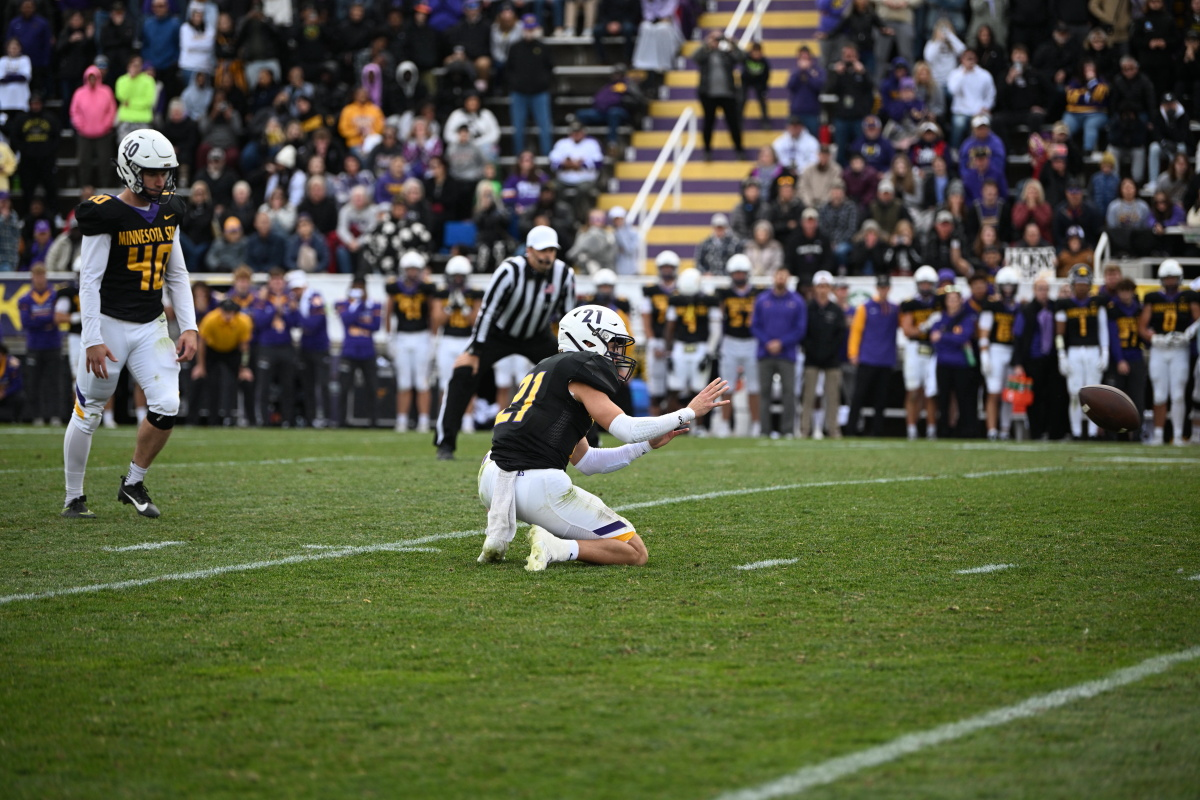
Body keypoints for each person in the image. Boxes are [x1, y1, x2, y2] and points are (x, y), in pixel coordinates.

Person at [476, 304, 729, 570]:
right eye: (614, 344)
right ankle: (556, 547)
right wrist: (688, 412)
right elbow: (626, 428)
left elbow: (586, 461)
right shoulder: (579, 372)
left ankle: (498, 534)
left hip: (492, 479)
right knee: (634, 552)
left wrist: (647, 445)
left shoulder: (546, 370)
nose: (618, 353)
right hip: (537, 487)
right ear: (587, 340)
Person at [61, 129, 198, 519]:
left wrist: (189, 326)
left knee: (168, 404)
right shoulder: (105, 212)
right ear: (130, 169)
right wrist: (91, 337)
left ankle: (134, 481)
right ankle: (74, 496)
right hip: (109, 325)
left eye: (164, 173)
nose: (160, 180)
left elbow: (177, 274)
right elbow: (87, 280)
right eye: (152, 172)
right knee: (89, 413)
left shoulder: (170, 209)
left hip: (150, 323)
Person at [434, 225, 575, 459]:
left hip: (537, 335)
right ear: (529, 250)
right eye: (543, 250)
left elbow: (568, 317)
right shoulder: (510, 270)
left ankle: (588, 441)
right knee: (462, 373)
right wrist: (475, 350)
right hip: (499, 334)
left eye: (552, 250)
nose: (547, 255)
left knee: (573, 379)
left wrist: (570, 354)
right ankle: (445, 443)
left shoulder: (564, 274)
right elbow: (488, 311)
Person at [1140, 260, 1196, 445]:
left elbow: (1198, 320)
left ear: (1179, 278)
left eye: (1173, 278)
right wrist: (1154, 338)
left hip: (1179, 348)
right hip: (1160, 348)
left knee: (1178, 393)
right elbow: (1142, 326)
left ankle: (1178, 435)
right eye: (1167, 278)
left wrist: (1188, 334)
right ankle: (1158, 435)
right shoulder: (1153, 298)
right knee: (1159, 394)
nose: (1170, 282)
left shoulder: (1188, 296)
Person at [751, 266, 807, 438]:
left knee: (789, 393)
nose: (781, 278)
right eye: (778, 275)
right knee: (765, 392)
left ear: (789, 278)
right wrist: (768, 342)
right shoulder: (762, 299)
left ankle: (788, 429)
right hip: (764, 353)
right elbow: (755, 325)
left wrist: (781, 343)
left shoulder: (797, 301)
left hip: (787, 354)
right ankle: (764, 430)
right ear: (773, 277)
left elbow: (800, 329)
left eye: (784, 275)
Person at [1056, 263, 1108, 440]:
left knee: (1094, 394)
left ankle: (1093, 432)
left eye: (1084, 283)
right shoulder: (1065, 304)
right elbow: (1059, 333)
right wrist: (1061, 355)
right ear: (1072, 284)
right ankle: (1077, 432)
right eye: (1078, 283)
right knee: (1074, 393)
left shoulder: (1097, 303)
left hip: (1093, 350)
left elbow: (1103, 330)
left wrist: (1105, 351)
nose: (1081, 286)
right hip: (1073, 352)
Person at [1013, 272, 1067, 440]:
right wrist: (1018, 362)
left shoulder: (1054, 307)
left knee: (1054, 396)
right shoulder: (1026, 310)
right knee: (1035, 398)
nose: (1043, 292)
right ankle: (1037, 431)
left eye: (1046, 289)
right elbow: (1018, 337)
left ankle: (1054, 432)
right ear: (1034, 290)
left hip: (1051, 359)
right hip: (1033, 359)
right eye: (1040, 289)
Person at [386, 251, 437, 433]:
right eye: (410, 269)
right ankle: (401, 420)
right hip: (401, 337)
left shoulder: (427, 288)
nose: (412, 273)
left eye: (415, 269)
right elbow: (388, 311)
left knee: (422, 381)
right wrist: (389, 336)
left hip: (422, 336)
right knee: (404, 382)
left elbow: (432, 313)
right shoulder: (395, 287)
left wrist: (433, 338)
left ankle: (423, 421)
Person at [431, 255, 482, 431]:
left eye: (461, 276)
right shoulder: (442, 292)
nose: (458, 279)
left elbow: (476, 321)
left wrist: (465, 308)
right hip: (447, 339)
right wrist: (451, 307)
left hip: (467, 340)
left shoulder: (474, 292)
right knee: (445, 382)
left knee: (468, 382)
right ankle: (445, 420)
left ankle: (468, 421)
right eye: (456, 276)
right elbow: (437, 320)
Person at [664, 268, 721, 419]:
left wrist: (709, 352)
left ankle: (699, 428)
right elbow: (670, 327)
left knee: (700, 390)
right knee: (674, 388)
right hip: (680, 347)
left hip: (700, 346)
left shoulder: (710, 300)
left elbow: (716, 329)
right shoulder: (675, 300)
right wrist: (668, 352)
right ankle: (670, 425)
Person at [846, 271, 899, 436]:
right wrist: (853, 353)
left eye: (886, 287)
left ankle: (877, 430)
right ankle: (851, 429)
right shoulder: (865, 307)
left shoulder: (894, 309)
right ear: (877, 288)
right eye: (881, 287)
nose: (883, 290)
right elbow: (856, 331)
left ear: (889, 288)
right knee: (858, 397)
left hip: (885, 359)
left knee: (881, 399)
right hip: (867, 357)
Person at [712, 254, 759, 437]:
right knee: (727, 386)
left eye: (742, 272)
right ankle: (724, 423)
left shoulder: (757, 293)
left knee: (754, 386)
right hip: (730, 341)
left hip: (752, 341)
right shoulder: (723, 294)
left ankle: (756, 424)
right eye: (736, 272)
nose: (739, 275)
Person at [193, 297, 254, 427]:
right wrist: (200, 366)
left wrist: (244, 368)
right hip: (212, 351)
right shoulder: (210, 319)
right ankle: (197, 421)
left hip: (232, 351)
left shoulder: (243, 321)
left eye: (230, 312)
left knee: (246, 382)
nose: (228, 315)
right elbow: (202, 343)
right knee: (204, 381)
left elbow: (244, 347)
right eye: (225, 311)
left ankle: (252, 420)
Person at [801, 270, 847, 439]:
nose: (822, 289)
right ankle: (804, 429)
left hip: (831, 359)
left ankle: (834, 429)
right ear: (815, 288)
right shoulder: (807, 308)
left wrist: (828, 353)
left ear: (830, 288)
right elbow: (803, 334)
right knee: (808, 396)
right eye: (820, 286)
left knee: (833, 397)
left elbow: (840, 335)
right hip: (811, 358)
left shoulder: (836, 310)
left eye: (826, 286)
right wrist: (812, 351)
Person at [977, 266, 1021, 440]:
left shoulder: (1019, 307)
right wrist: (984, 355)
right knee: (994, 392)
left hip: (1011, 351)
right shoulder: (992, 305)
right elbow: (984, 332)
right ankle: (992, 430)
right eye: (1005, 286)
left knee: (1008, 394)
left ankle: (1004, 429)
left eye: (1011, 286)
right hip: (995, 350)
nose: (1008, 290)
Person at [898, 265, 939, 439]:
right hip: (915, 348)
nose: (925, 287)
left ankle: (931, 429)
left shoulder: (939, 303)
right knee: (913, 391)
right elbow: (908, 331)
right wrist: (926, 326)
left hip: (933, 348)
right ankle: (911, 428)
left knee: (930, 392)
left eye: (928, 284)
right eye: (922, 284)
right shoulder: (910, 303)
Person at [336, 277, 383, 428]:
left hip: (367, 352)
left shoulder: (374, 303)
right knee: (344, 387)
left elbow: (376, 326)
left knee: (372, 387)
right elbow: (347, 320)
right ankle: (341, 420)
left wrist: (358, 322)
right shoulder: (342, 303)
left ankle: (374, 420)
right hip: (349, 352)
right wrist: (358, 306)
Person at [17, 263, 61, 425]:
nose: (40, 279)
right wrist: (47, 320)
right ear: (32, 278)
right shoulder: (25, 299)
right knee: (34, 383)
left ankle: (55, 415)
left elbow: (58, 318)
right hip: (34, 346)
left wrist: (39, 319)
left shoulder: (54, 296)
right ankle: (37, 416)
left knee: (53, 383)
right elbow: (26, 321)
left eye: (42, 276)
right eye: (37, 276)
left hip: (53, 345)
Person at [287, 270, 331, 428]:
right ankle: (311, 417)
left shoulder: (315, 297)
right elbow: (293, 323)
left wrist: (296, 311)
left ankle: (327, 417)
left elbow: (310, 325)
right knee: (308, 385)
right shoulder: (299, 301)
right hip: (305, 348)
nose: (296, 292)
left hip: (319, 348)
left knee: (323, 385)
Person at [694, 29, 746, 161]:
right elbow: (694, 57)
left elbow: (741, 57)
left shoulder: (726, 54)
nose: (717, 42)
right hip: (708, 95)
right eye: (715, 39)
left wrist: (732, 42)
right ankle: (707, 151)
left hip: (727, 95)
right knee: (708, 124)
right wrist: (707, 43)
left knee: (733, 123)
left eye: (718, 39)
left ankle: (739, 149)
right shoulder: (706, 54)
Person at [1106, 277, 1147, 442]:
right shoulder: (1113, 309)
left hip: (1136, 355)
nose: (1125, 294)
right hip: (1119, 357)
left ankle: (1137, 434)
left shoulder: (1139, 309)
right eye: (1122, 290)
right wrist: (1119, 359)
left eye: (1128, 290)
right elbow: (1113, 337)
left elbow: (1143, 333)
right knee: (1115, 399)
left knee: (1138, 399)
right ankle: (1115, 435)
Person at [641, 250, 678, 414]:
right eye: (664, 267)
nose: (667, 270)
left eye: (670, 267)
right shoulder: (651, 291)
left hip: (678, 342)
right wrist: (652, 342)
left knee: (676, 386)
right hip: (657, 339)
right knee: (656, 387)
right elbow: (646, 318)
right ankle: (655, 424)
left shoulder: (681, 290)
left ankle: (676, 423)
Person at [0, 340, 24, 422]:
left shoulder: (12, 363)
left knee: (19, 396)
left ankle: (16, 419)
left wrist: (5, 393)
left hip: (6, 393)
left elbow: (17, 384)